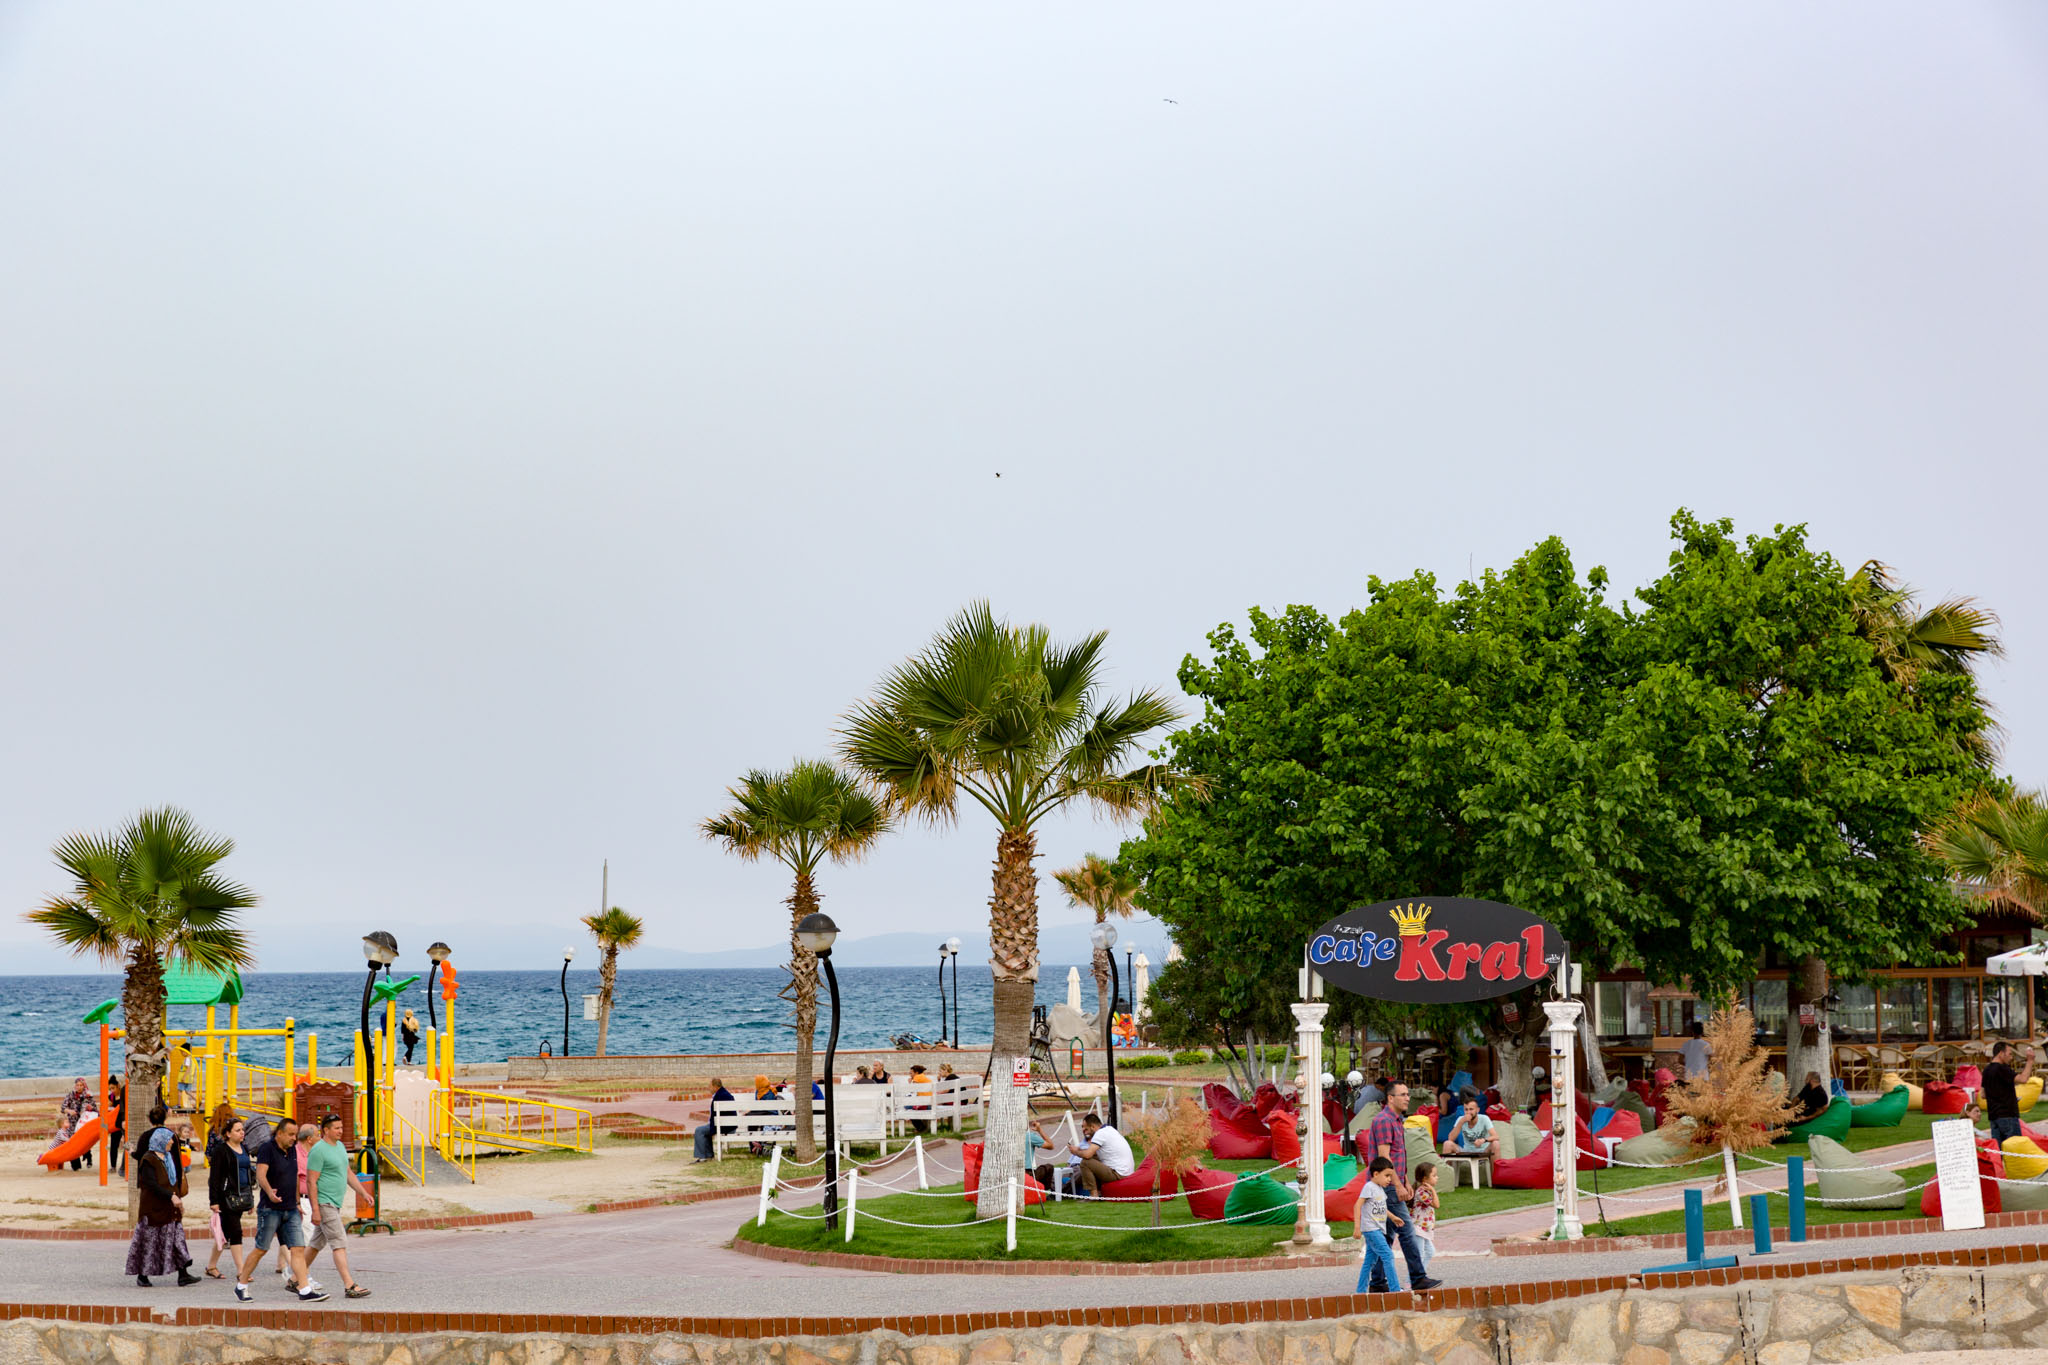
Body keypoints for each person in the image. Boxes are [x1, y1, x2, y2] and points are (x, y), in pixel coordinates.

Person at [1366, 1082, 1443, 1291]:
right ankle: (1418, 1277)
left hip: (1395, 1182)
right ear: (1390, 1098)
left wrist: (1407, 1182)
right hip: (1386, 1185)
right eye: (1402, 1095)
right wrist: (1398, 1185)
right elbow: (1384, 1158)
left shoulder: (1398, 1120)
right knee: (1407, 1229)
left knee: (1388, 1233)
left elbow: (1399, 1156)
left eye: (1408, 1094)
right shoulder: (1384, 1121)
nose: (1407, 1098)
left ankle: (1378, 1282)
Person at [246, 1116, 325, 1302]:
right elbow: (261, 1175)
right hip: (270, 1208)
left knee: (298, 1248)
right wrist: (269, 1192)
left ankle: (303, 1288)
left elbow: (295, 1176)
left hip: (290, 1208)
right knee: (261, 1249)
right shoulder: (267, 1149)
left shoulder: (292, 1151)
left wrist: (297, 1202)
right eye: (290, 1134)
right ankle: (241, 1283)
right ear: (279, 1133)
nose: (293, 1138)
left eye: (295, 1135)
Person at [302, 1114, 374, 1299]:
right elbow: (311, 1181)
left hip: (335, 1203)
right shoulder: (318, 1150)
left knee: (316, 1244)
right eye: (336, 1128)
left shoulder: (340, 1146)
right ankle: (349, 1284)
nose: (340, 1131)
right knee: (339, 1242)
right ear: (326, 1130)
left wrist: (363, 1192)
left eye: (341, 1127)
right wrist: (316, 1210)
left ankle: (296, 1277)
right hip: (324, 1203)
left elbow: (348, 1172)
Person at [127, 1128, 199, 1287]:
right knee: (150, 1242)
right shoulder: (148, 1159)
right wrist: (171, 1196)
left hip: (170, 1208)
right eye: (169, 1140)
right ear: (160, 1141)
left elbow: (172, 1181)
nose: (172, 1142)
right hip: (154, 1209)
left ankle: (183, 1274)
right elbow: (151, 1184)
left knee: (177, 1240)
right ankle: (142, 1275)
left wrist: (177, 1199)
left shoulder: (167, 1158)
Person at [205, 1116, 255, 1284]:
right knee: (236, 1231)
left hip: (241, 1197)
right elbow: (215, 1177)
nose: (242, 1133)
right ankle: (241, 1270)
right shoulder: (221, 1150)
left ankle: (211, 1265)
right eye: (238, 1130)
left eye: (243, 1130)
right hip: (226, 1197)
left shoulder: (244, 1148)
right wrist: (214, 1200)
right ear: (227, 1133)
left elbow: (248, 1174)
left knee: (225, 1233)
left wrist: (250, 1200)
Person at [1353, 1157, 1403, 1294]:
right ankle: (1395, 1290)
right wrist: (1357, 1228)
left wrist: (1393, 1217)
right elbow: (1357, 1205)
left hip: (1377, 1230)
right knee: (1388, 1255)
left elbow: (1381, 1207)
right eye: (1387, 1176)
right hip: (1371, 1229)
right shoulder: (1369, 1187)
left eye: (1390, 1176)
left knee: (1369, 1262)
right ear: (1375, 1174)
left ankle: (1361, 1291)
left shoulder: (1380, 1189)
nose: (1389, 1180)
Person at [1982, 1040, 2037, 1143]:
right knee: (2014, 1151)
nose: (2011, 1057)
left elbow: (1983, 1094)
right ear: (2001, 1053)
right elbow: (2023, 1079)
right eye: (2010, 1054)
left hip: (1994, 1117)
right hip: (2007, 1116)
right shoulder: (2002, 1069)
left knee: (2000, 1152)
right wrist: (2030, 1061)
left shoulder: (1987, 1070)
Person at [1069, 1112, 1134, 1196]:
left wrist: (1075, 1152)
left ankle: (1094, 1195)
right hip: (1126, 1171)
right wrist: (1080, 1149)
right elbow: (1093, 1153)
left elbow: (1087, 1155)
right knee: (1093, 1158)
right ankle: (1097, 1191)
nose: (1085, 1132)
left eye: (1086, 1129)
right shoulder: (1109, 1129)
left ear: (1093, 1126)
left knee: (1085, 1163)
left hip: (1118, 1174)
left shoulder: (1100, 1134)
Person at [54, 1077, 94, 1171]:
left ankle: (88, 1158)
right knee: (72, 1142)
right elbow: (63, 1108)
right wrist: (70, 1111)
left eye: (81, 1085)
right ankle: (76, 1166)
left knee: (85, 1141)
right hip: (72, 1123)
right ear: (75, 1085)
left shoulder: (88, 1095)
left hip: (84, 1122)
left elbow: (94, 1108)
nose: (79, 1087)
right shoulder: (70, 1095)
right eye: (77, 1085)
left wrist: (88, 1109)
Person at [694, 1078, 735, 1163]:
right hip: (727, 1124)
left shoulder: (720, 1096)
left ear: (715, 1086)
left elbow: (716, 1116)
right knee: (705, 1129)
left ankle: (703, 1157)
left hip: (724, 1126)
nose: (709, 1088)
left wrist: (712, 1129)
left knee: (699, 1130)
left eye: (710, 1086)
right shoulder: (724, 1093)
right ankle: (708, 1155)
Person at [1410, 1161, 1440, 1270]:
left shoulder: (1425, 1191)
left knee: (1430, 1252)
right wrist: (1433, 1190)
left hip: (1424, 1228)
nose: (1437, 1177)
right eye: (1434, 1175)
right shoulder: (1421, 1192)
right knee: (1420, 1254)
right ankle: (1413, 1280)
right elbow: (1437, 1204)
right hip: (1418, 1228)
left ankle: (1422, 1275)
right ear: (1424, 1179)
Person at [107, 1075, 127, 1174]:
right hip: (115, 1125)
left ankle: (124, 1165)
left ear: (118, 1086)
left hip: (123, 1123)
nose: (112, 1090)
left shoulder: (124, 1094)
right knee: (113, 1145)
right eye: (110, 1089)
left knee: (125, 1144)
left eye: (113, 1088)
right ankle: (113, 1166)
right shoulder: (111, 1097)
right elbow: (108, 1108)